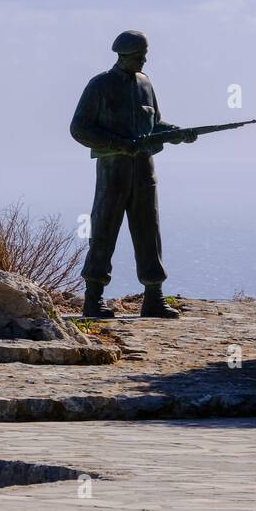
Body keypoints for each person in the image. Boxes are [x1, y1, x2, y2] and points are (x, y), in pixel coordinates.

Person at [69, 30, 195, 319]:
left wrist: (176, 133)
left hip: (144, 170)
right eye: (140, 55)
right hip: (113, 170)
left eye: (145, 55)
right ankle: (93, 298)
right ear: (123, 55)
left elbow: (154, 123)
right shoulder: (100, 85)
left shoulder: (145, 84)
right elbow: (79, 129)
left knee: (149, 231)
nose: (144, 60)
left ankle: (154, 297)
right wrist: (118, 145)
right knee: (104, 230)